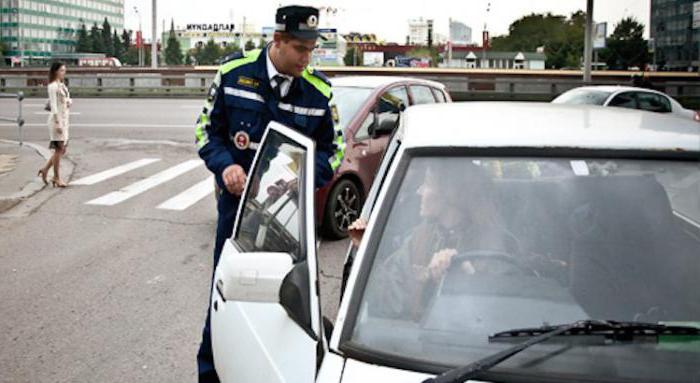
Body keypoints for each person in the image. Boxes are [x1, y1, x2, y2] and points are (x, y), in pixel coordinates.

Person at [193, 5, 344, 382]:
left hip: (290, 220)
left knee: (287, 305)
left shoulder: (319, 91)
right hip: (237, 214)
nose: (307, 58)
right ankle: (213, 374)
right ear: (277, 40)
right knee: (227, 298)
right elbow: (204, 132)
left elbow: (335, 148)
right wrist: (226, 164)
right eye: (299, 49)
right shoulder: (232, 74)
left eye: (312, 50)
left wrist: (302, 180)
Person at [38, 62, 71, 188]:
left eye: (64, 70)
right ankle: (56, 177)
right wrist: (58, 123)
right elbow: (53, 106)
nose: (64, 72)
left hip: (64, 120)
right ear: (56, 71)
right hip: (56, 121)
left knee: (62, 149)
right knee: (59, 149)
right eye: (62, 70)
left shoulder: (62, 85)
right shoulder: (52, 86)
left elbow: (65, 100)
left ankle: (45, 169)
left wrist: (69, 101)